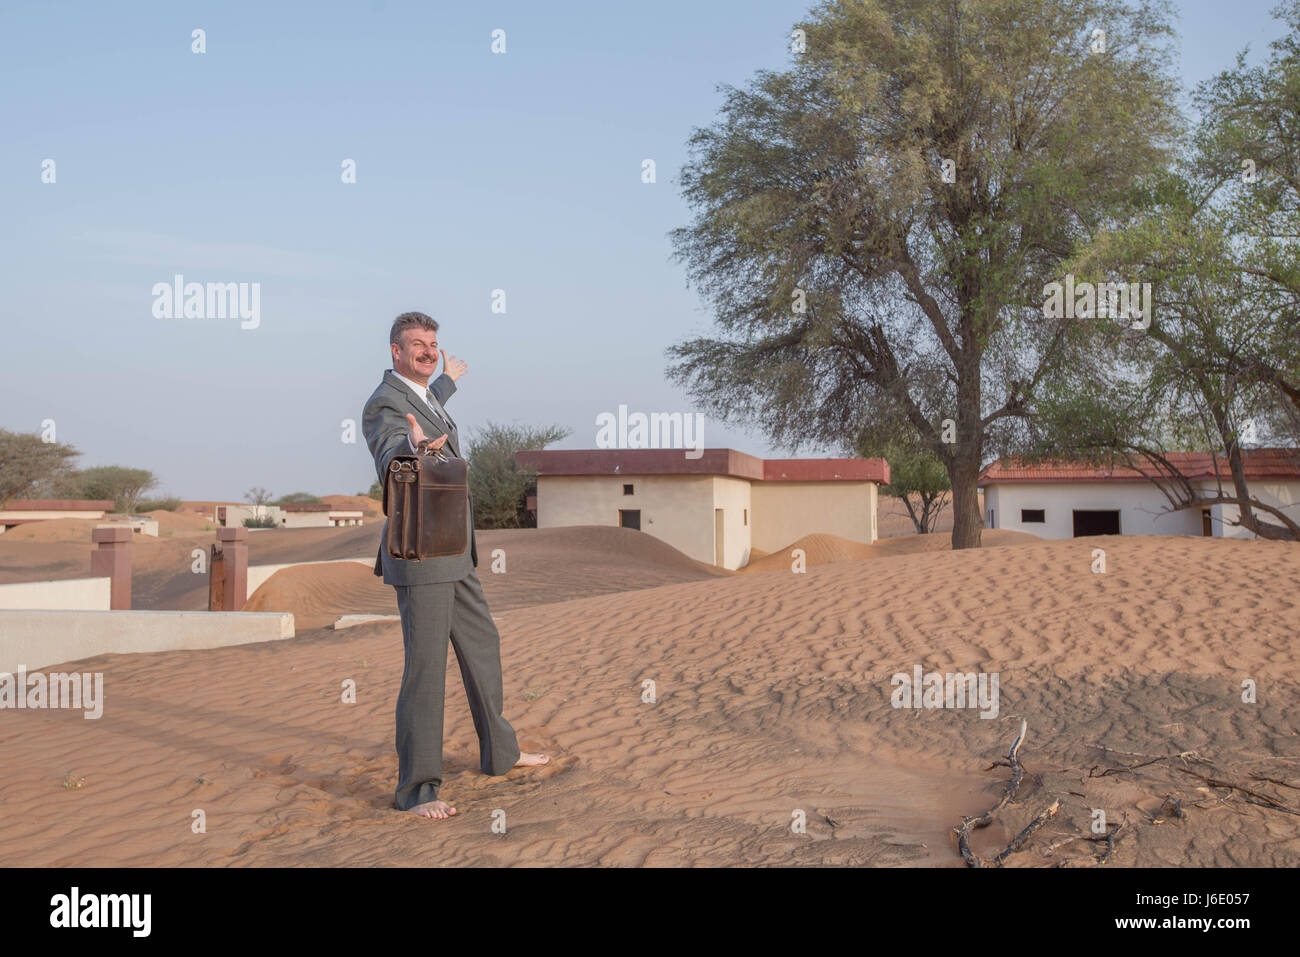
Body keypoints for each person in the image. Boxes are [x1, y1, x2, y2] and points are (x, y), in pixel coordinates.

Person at [361, 311, 548, 820]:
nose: (426, 349)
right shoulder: (384, 403)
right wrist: (412, 447)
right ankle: (417, 791)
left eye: (432, 343)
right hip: (421, 555)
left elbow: (429, 403)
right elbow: (391, 451)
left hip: (455, 551)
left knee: (483, 643)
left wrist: (448, 379)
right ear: (394, 352)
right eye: (416, 344)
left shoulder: (422, 395)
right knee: (425, 673)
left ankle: (502, 754)